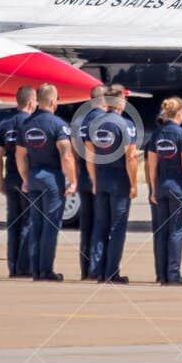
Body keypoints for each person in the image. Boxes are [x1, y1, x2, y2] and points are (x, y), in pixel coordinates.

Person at [16, 82, 76, 282]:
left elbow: (20, 155)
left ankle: (35, 270)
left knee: (36, 224)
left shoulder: (26, 124)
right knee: (50, 226)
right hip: (51, 178)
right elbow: (66, 155)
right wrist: (73, 180)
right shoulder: (58, 125)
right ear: (52, 101)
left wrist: (25, 178)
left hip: (33, 177)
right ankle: (46, 270)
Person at [85, 85, 138, 283]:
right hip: (119, 180)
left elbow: (89, 156)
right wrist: (133, 184)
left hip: (101, 179)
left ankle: (96, 269)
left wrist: (94, 180)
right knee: (116, 227)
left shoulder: (94, 124)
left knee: (100, 225)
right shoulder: (126, 125)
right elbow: (131, 157)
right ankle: (111, 272)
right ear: (121, 102)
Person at [145, 97, 182, 285]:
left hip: (161, 187)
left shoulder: (156, 135)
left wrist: (153, 189)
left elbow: (152, 165)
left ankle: (162, 274)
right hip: (178, 188)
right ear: (180, 113)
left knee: (162, 232)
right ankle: (173, 274)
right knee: (176, 232)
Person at [0, 85, 37, 277]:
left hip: (10, 177)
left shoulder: (5, 124)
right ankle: (24, 267)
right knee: (27, 223)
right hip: (26, 178)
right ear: (30, 102)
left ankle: (12, 267)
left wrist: (1, 179)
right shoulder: (32, 124)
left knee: (13, 224)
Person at [71, 84, 107, 279]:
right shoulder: (105, 121)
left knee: (86, 226)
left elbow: (74, 152)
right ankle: (96, 268)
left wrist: (77, 175)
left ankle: (85, 269)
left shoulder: (79, 121)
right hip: (99, 178)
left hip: (83, 177)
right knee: (99, 224)